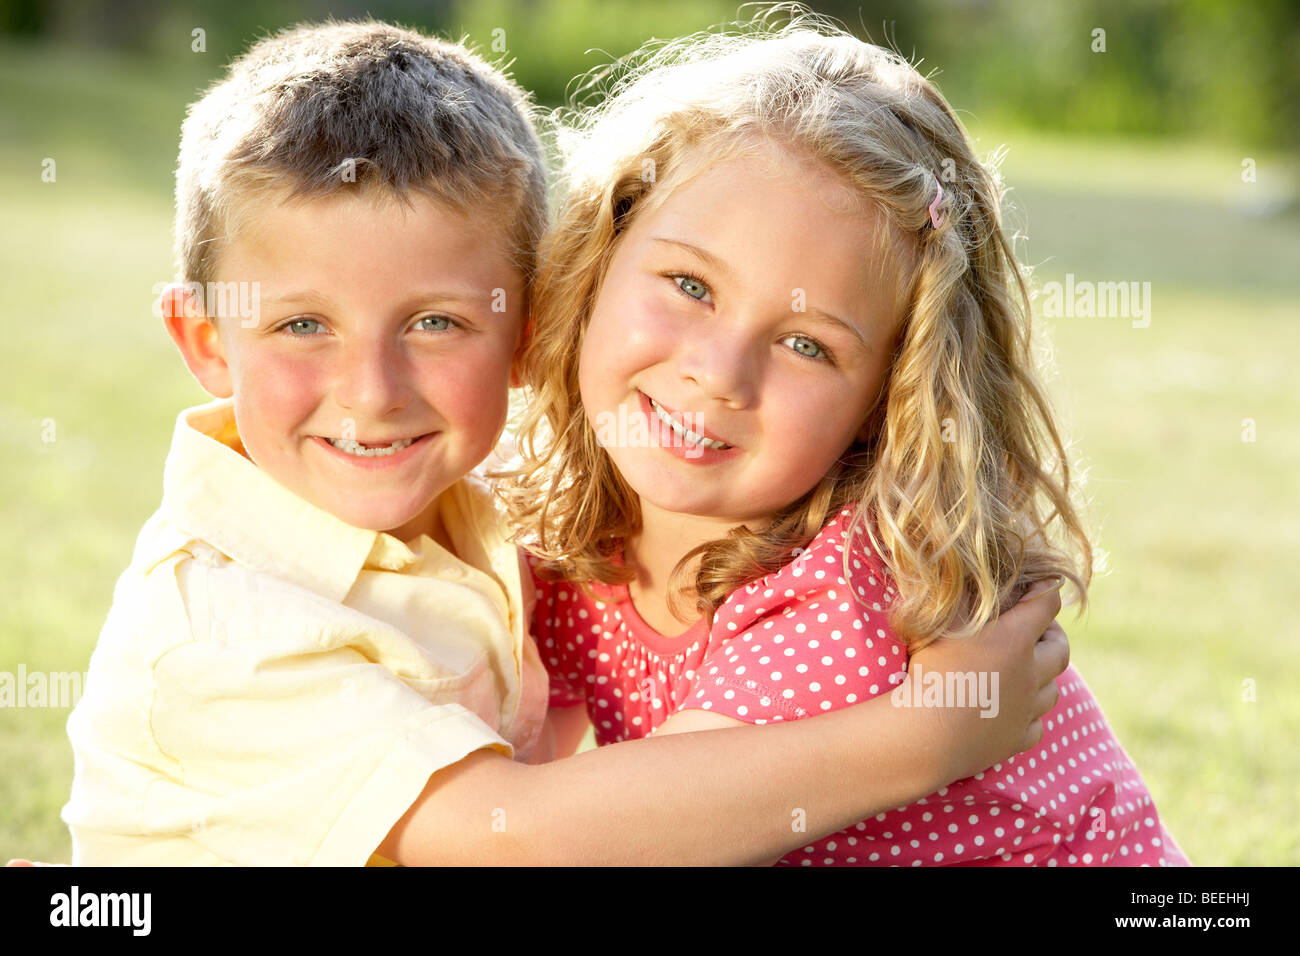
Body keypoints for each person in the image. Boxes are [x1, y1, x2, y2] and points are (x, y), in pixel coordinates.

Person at [54, 19, 1068, 866]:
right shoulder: (224, 624)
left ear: (530, 326)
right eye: (301, 325)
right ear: (203, 338)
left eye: (437, 322)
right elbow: (522, 835)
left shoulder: (832, 585)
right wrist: (924, 735)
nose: (372, 392)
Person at [506, 18, 1188, 866]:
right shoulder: (574, 528)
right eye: (690, 285)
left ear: (884, 402)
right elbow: (533, 748)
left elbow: (623, 844)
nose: (721, 373)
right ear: (599, 255)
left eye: (807, 345)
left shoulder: (849, 579)